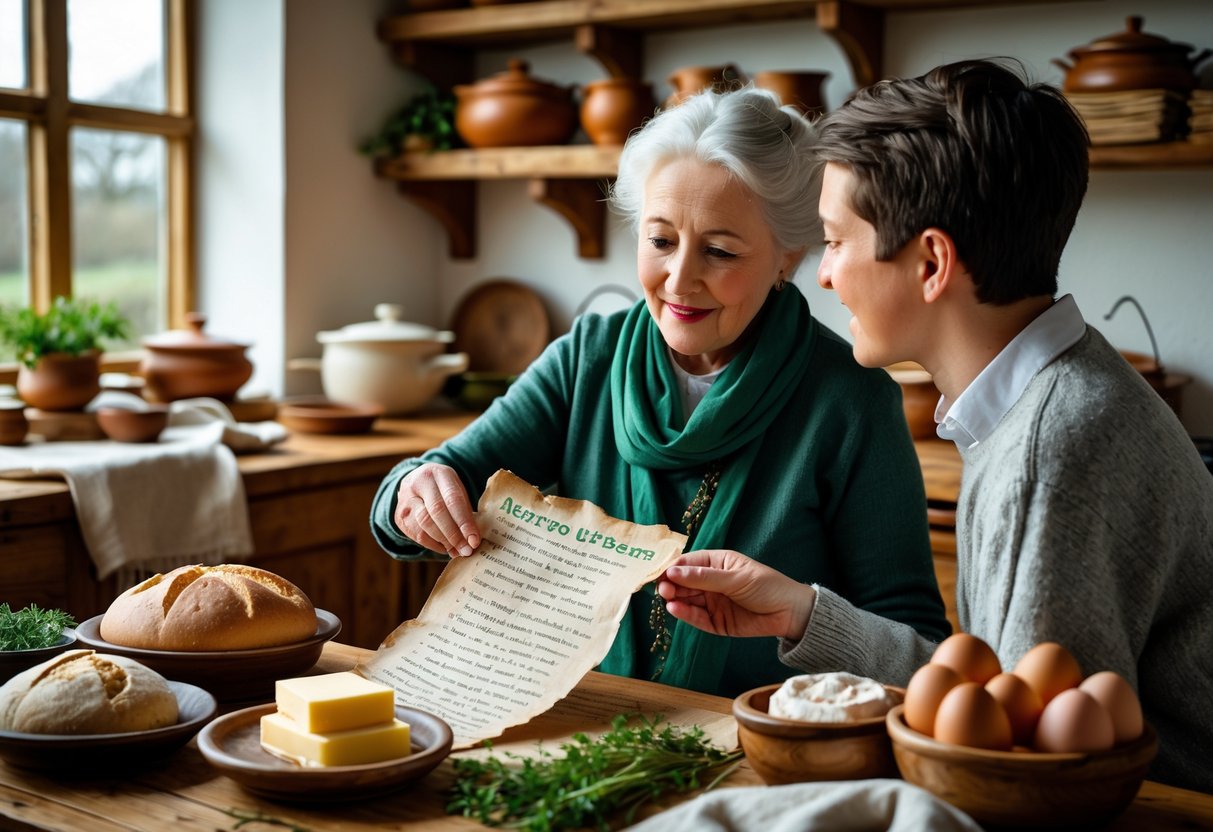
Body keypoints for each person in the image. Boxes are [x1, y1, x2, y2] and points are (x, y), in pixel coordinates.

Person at [656, 60, 1213, 792]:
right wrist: (803, 614)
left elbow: (1021, 764)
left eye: (836, 241)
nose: (822, 276)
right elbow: (992, 704)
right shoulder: (1040, 398)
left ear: (929, 263)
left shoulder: (1054, 448)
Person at [369, 86, 950, 699]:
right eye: (660, 240)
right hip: (580, 720)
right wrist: (414, 492)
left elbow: (917, 649)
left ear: (788, 255)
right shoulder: (586, 360)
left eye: (720, 250)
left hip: (757, 742)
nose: (679, 279)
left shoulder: (851, 400)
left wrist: (804, 612)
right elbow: (426, 483)